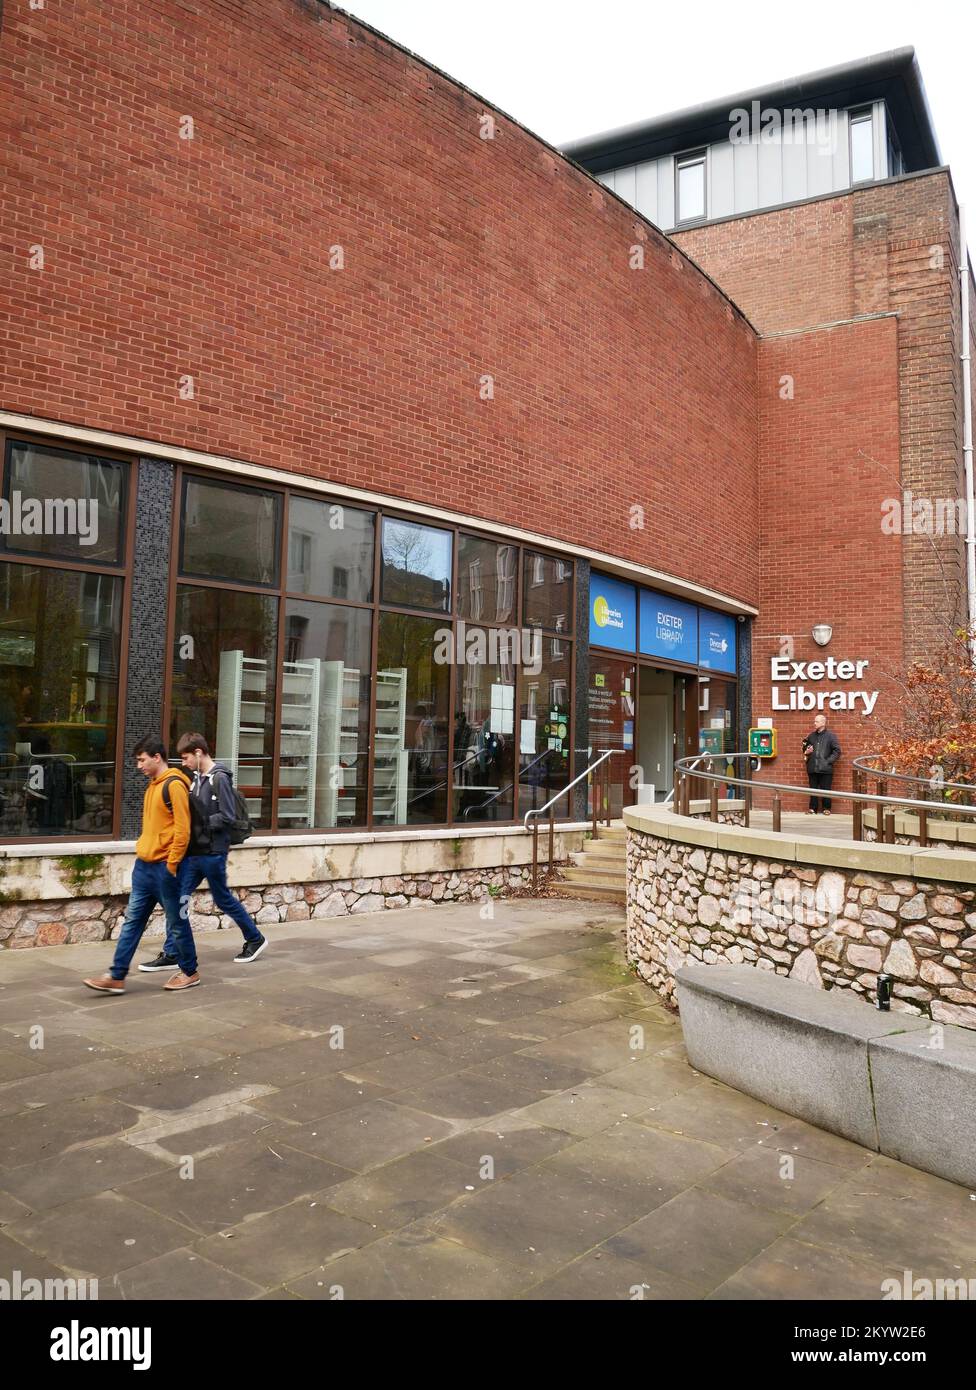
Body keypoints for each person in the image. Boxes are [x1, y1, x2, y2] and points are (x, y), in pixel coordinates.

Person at [138, 732, 267, 970]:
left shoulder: (219, 779)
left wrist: (200, 823)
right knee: (178, 898)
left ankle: (255, 938)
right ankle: (173, 952)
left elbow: (227, 816)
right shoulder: (196, 778)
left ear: (198, 752)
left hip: (213, 853)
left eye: (186, 757)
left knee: (223, 899)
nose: (184, 763)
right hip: (194, 853)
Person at [83, 736, 199, 994]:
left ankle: (189, 972)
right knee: (132, 921)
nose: (139, 766)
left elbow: (183, 830)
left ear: (157, 757)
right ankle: (116, 975)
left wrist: (172, 865)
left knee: (177, 923)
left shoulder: (174, 786)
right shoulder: (153, 786)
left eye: (142, 760)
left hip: (166, 869)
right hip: (144, 867)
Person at [802, 714, 841, 815]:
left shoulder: (831, 736)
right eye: (814, 721)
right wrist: (807, 751)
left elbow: (837, 751)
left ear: (823, 723)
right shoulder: (811, 736)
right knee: (813, 789)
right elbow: (805, 749)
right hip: (812, 767)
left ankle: (826, 808)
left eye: (816, 721)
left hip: (826, 769)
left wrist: (828, 761)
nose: (814, 723)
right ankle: (812, 809)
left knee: (826, 789)